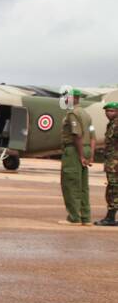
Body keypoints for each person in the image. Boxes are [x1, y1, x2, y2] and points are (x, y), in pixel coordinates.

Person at [59, 89, 93, 225]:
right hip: (85, 148)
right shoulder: (86, 114)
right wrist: (90, 155)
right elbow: (93, 136)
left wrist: (80, 156)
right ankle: (86, 217)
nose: (65, 100)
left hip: (74, 150)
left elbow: (76, 135)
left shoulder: (73, 113)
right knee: (83, 185)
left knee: (71, 184)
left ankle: (74, 217)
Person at [97, 102, 118, 226]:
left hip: (115, 164)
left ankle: (110, 218)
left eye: (112, 111)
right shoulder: (112, 124)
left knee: (113, 190)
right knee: (112, 188)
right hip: (112, 163)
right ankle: (110, 217)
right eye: (107, 111)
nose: (108, 113)